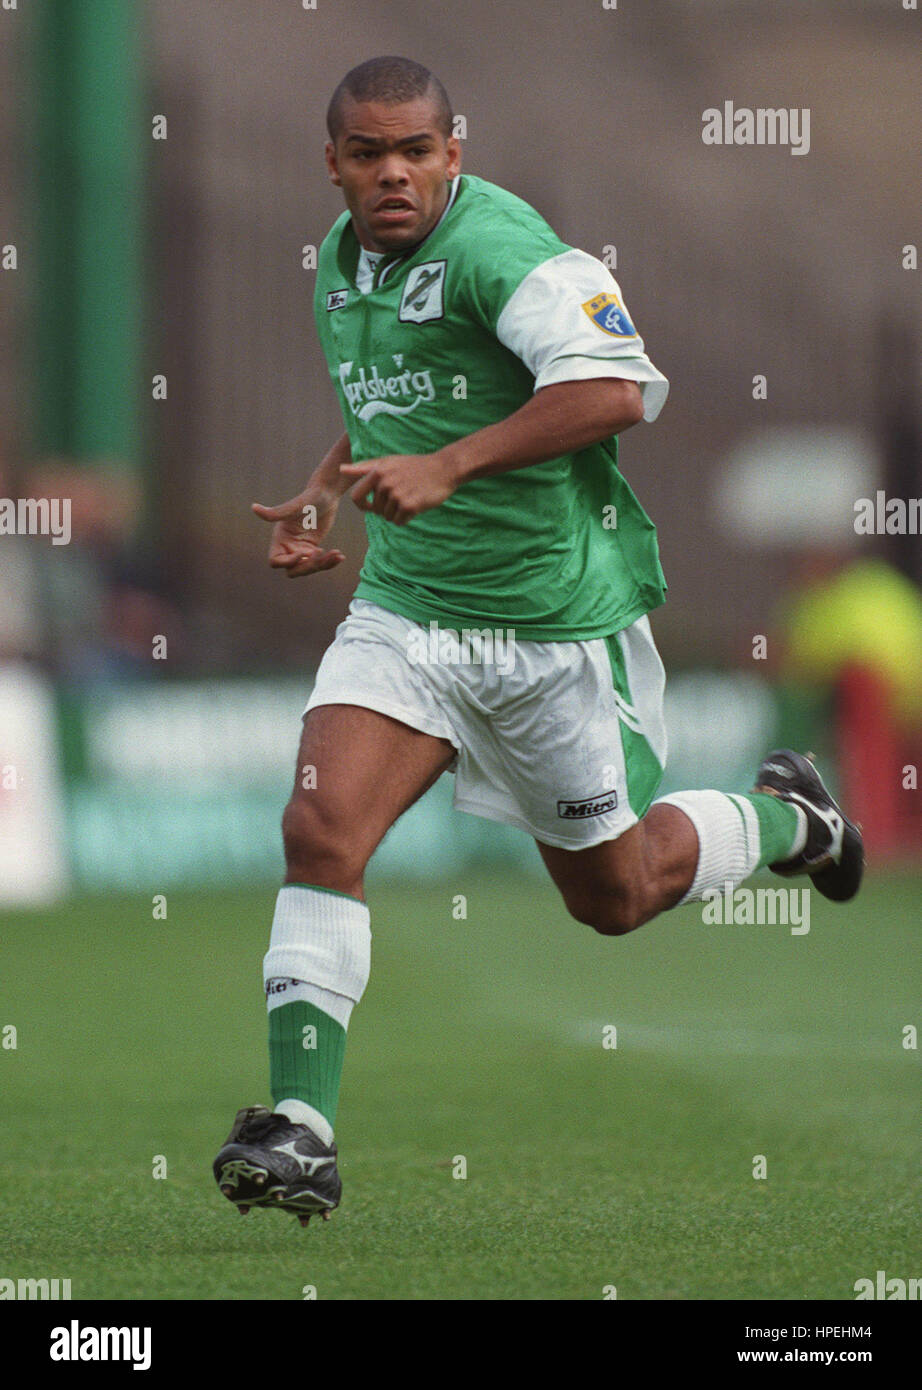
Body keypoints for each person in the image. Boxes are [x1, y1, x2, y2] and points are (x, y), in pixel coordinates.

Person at [213, 57, 863, 1225]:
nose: (394, 172)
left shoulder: (508, 251)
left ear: (455, 151)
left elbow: (615, 388)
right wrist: (328, 483)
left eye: (416, 149)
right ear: (334, 165)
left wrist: (449, 467)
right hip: (407, 612)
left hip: (549, 626)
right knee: (319, 828)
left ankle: (789, 816)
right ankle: (298, 1125)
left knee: (617, 895)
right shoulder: (337, 254)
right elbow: (399, 390)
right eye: (368, 155)